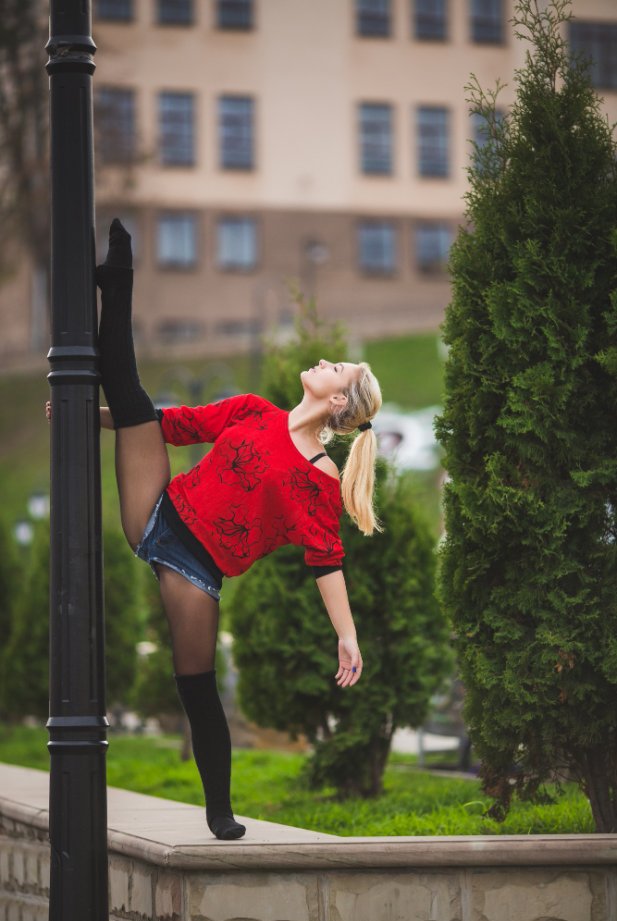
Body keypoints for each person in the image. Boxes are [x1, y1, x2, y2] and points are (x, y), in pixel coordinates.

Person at [48, 218, 382, 840]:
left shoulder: (319, 478)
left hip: (196, 569)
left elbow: (326, 560)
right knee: (133, 395)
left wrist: (348, 636)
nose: (322, 361)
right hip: (159, 510)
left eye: (334, 367)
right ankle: (117, 280)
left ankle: (219, 812)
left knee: (196, 686)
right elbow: (176, 425)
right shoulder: (254, 410)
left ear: (340, 401)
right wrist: (89, 415)